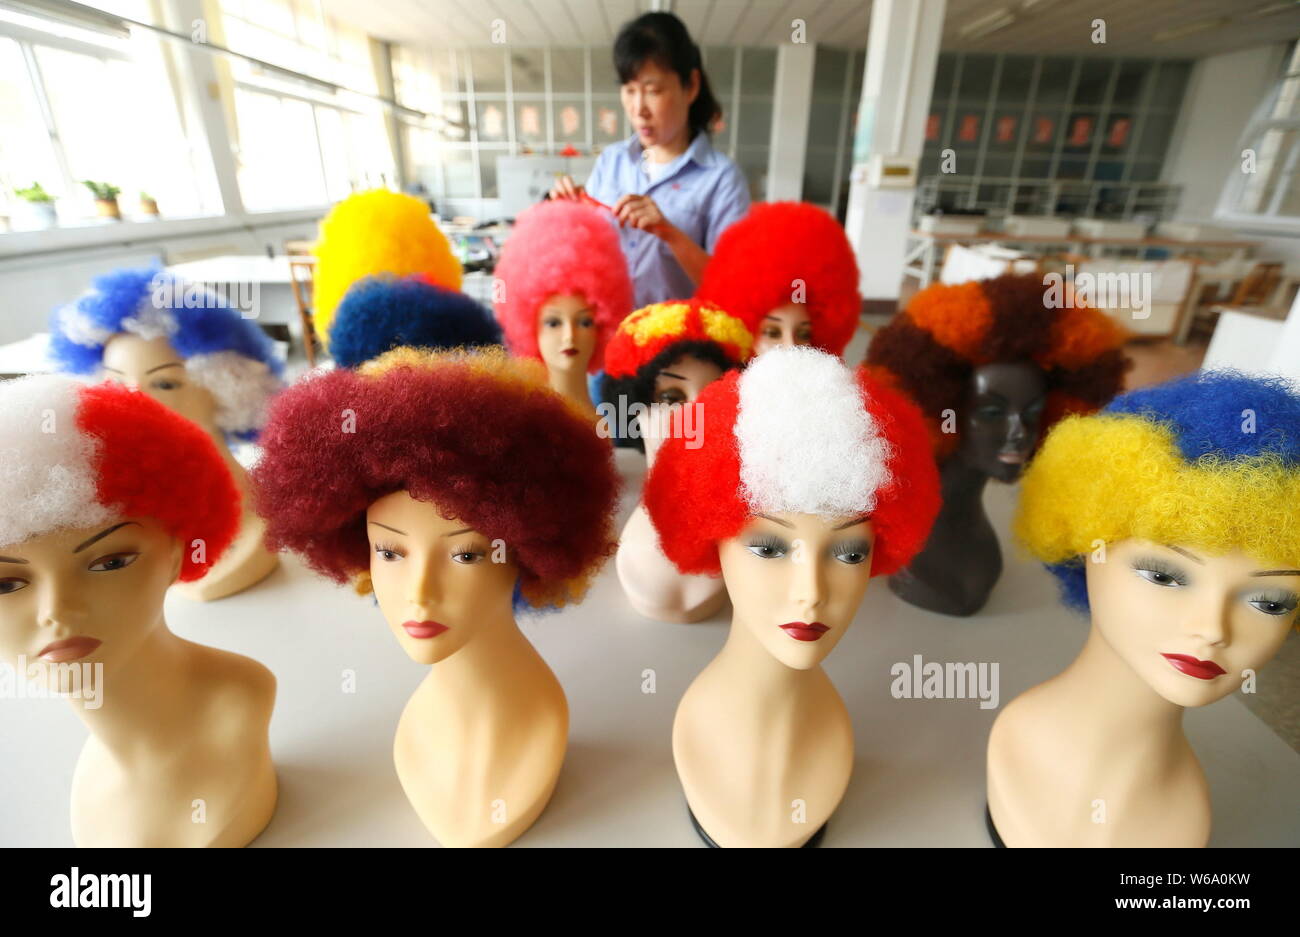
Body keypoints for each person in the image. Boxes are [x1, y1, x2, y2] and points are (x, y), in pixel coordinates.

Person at [548, 11, 750, 309]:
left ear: (691, 86)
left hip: (679, 346)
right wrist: (569, 211)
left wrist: (669, 233)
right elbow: (588, 251)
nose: (638, 108)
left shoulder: (721, 178)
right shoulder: (612, 161)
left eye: (653, 91)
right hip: (612, 334)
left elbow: (733, 286)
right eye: (629, 90)